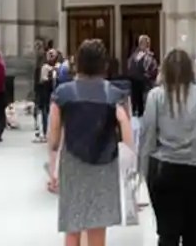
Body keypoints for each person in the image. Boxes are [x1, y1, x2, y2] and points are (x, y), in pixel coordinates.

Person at [48, 39, 134, 245]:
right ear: (103, 65)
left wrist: (53, 170)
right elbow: (127, 132)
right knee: (97, 226)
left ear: (78, 62)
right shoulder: (114, 94)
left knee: (72, 225)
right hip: (104, 165)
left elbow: (53, 137)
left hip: (73, 164)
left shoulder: (63, 93)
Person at [140, 48, 196, 245]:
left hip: (164, 169)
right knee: (192, 231)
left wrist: (144, 171)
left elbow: (148, 138)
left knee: (167, 233)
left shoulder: (155, 96)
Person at [127, 35, 158, 118]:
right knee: (134, 100)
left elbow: (153, 69)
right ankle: (134, 114)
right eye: (141, 43)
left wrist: (147, 76)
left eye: (144, 43)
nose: (142, 44)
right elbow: (130, 64)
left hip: (144, 82)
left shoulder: (150, 56)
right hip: (134, 80)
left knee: (143, 103)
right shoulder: (135, 54)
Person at [34, 49, 57, 142]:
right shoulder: (44, 67)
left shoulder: (55, 68)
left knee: (48, 112)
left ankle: (47, 132)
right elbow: (42, 80)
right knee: (44, 112)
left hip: (50, 93)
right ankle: (44, 132)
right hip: (45, 93)